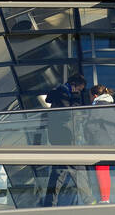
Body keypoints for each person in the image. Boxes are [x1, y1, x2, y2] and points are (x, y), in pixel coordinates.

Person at [39, 74, 91, 206]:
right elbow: (69, 113)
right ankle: (89, 201)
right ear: (73, 85)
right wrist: (75, 98)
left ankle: (50, 202)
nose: (80, 92)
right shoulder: (63, 94)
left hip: (58, 137)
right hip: (67, 137)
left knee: (59, 171)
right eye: (79, 89)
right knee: (78, 168)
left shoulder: (58, 92)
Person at [86, 85, 115, 203]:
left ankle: (103, 198)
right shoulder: (111, 107)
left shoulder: (98, 107)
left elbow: (90, 126)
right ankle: (105, 197)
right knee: (104, 170)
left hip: (98, 143)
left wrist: (87, 138)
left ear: (95, 96)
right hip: (109, 142)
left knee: (100, 169)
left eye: (89, 97)